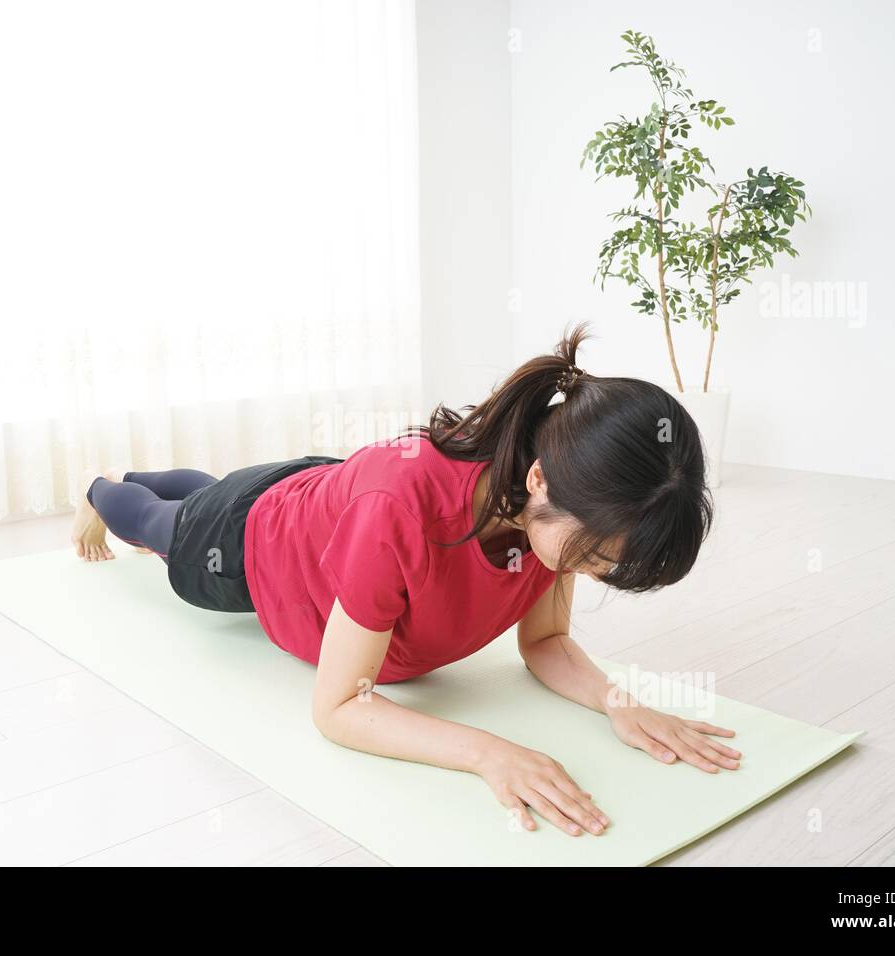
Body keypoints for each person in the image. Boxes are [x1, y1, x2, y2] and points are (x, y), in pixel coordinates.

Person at [70, 324, 739, 836]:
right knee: (164, 526)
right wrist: (489, 754)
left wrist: (624, 706)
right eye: (596, 554)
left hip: (316, 496)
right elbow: (337, 708)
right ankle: (102, 489)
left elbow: (545, 643)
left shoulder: (555, 509)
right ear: (540, 480)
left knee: (209, 493)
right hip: (250, 547)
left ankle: (157, 484)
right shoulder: (402, 512)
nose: (595, 570)